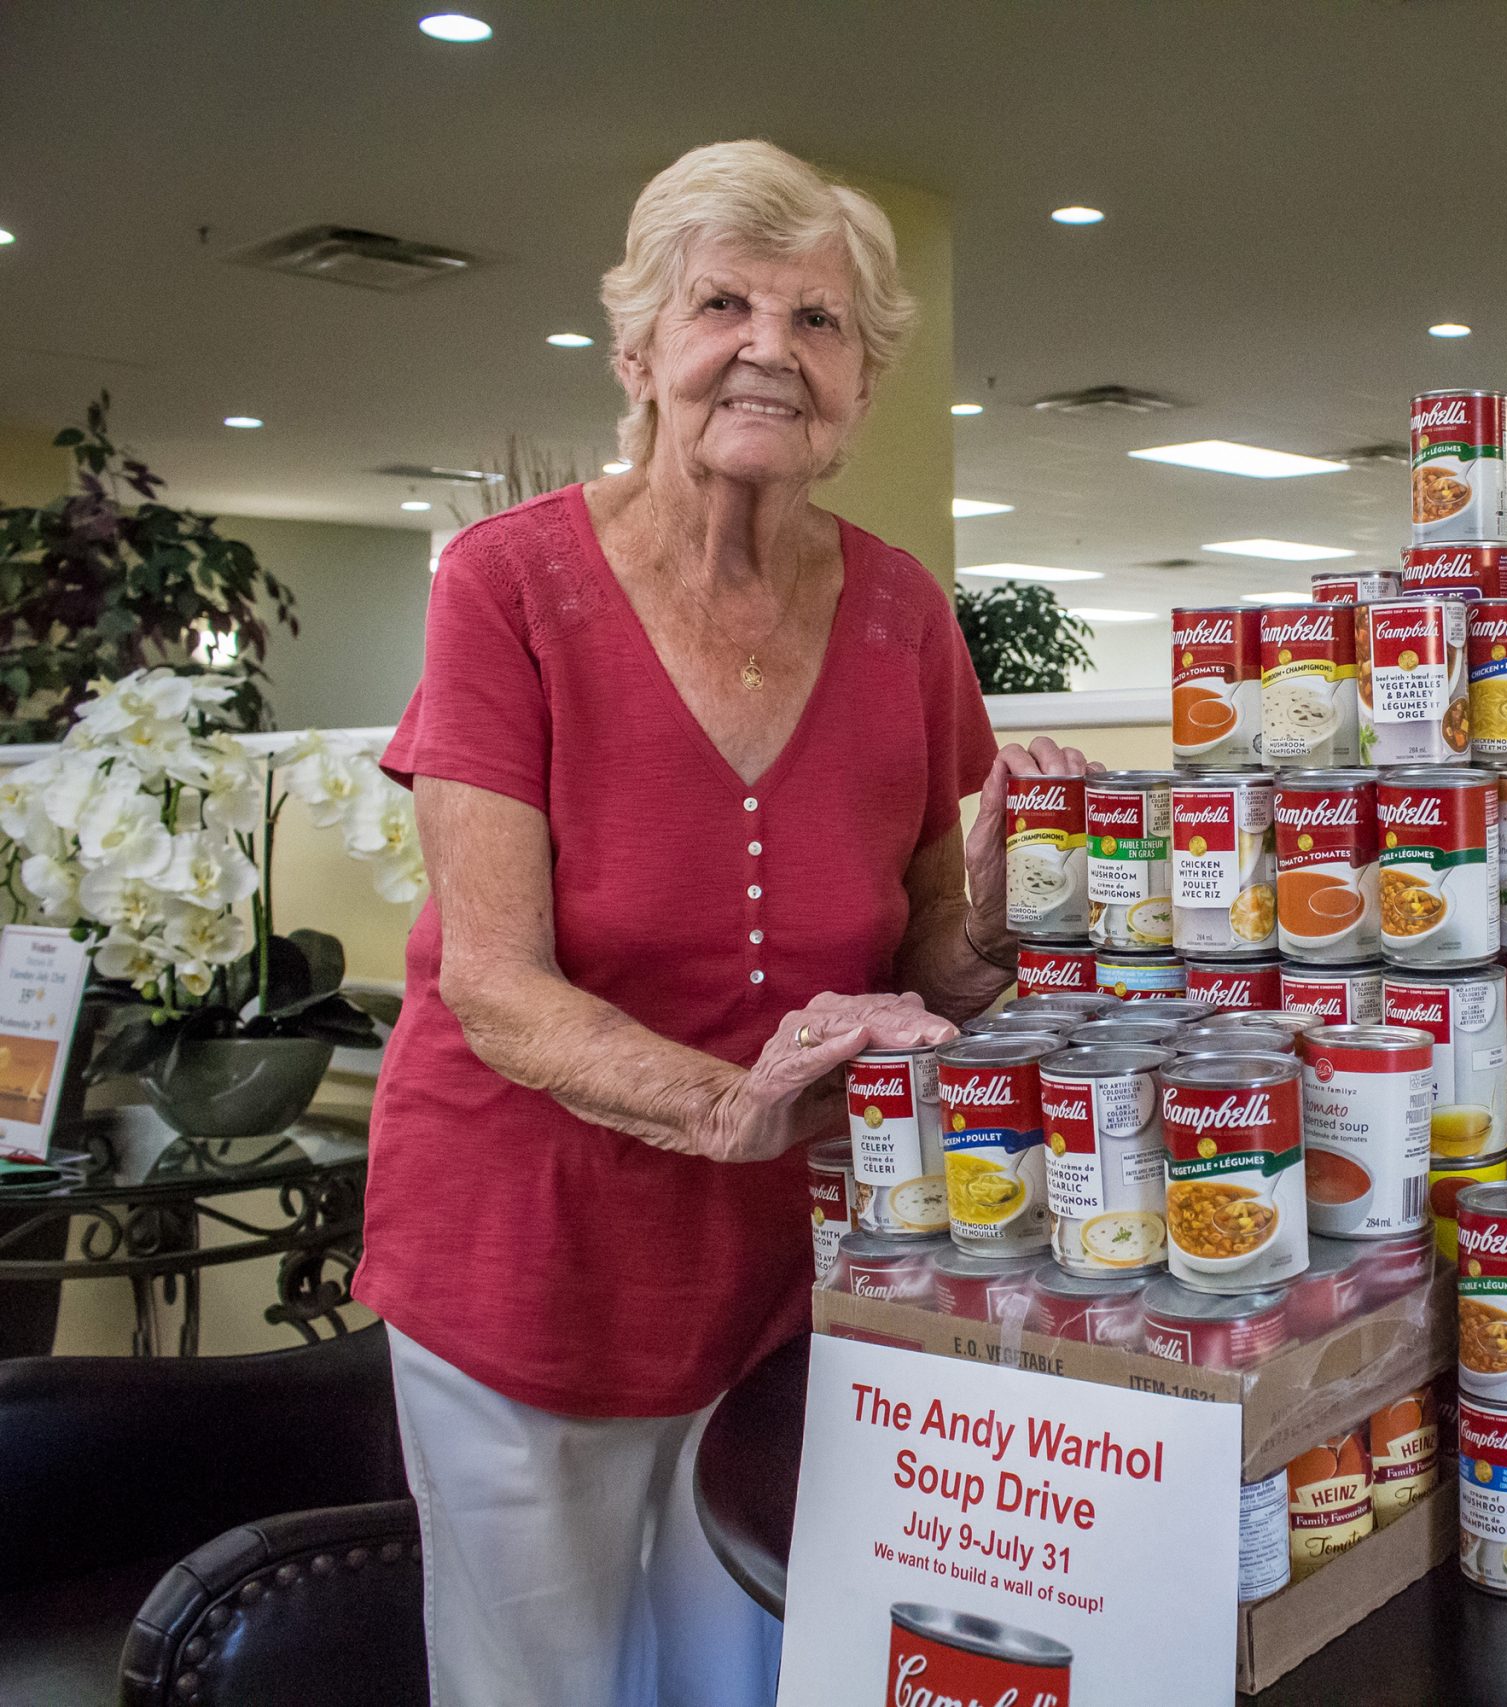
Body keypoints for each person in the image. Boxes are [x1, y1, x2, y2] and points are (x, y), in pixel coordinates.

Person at [359, 139, 1078, 1706]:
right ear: (638, 353)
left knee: (751, 1668)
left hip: (779, 1277)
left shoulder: (902, 616)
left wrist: (1027, 906)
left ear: (864, 386)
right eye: (723, 305)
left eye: (820, 323)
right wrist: (724, 1103)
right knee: (538, 1682)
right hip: (524, 1251)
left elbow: (929, 967)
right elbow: (493, 983)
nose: (771, 347)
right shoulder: (507, 587)